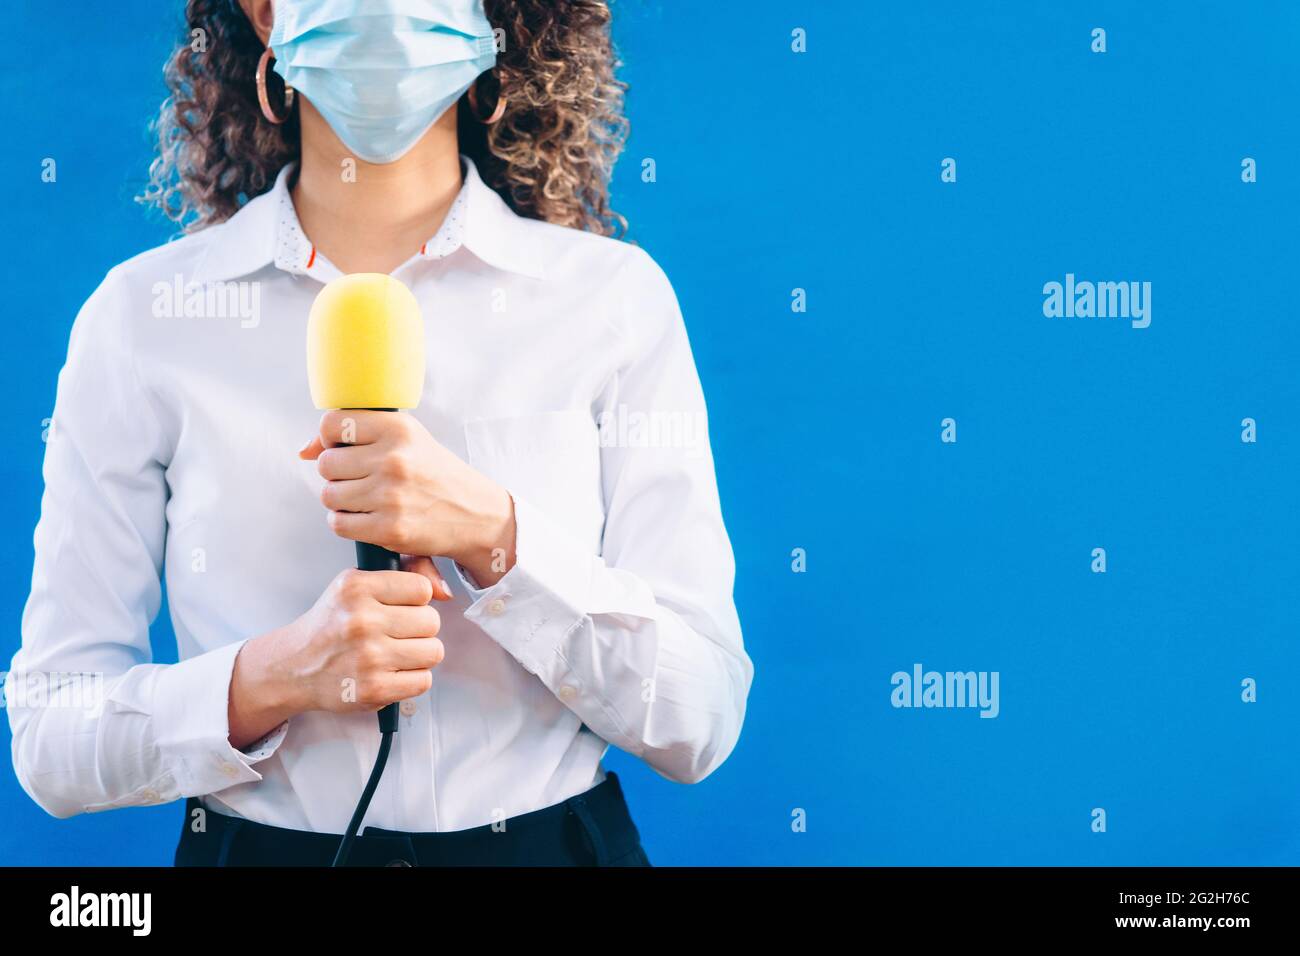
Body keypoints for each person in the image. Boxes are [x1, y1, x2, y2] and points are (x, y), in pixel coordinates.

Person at [5, 0, 752, 866]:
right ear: (263, 11)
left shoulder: (613, 302)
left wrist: (497, 537)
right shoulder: (141, 321)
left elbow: (701, 718)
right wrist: (270, 678)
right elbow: (51, 734)